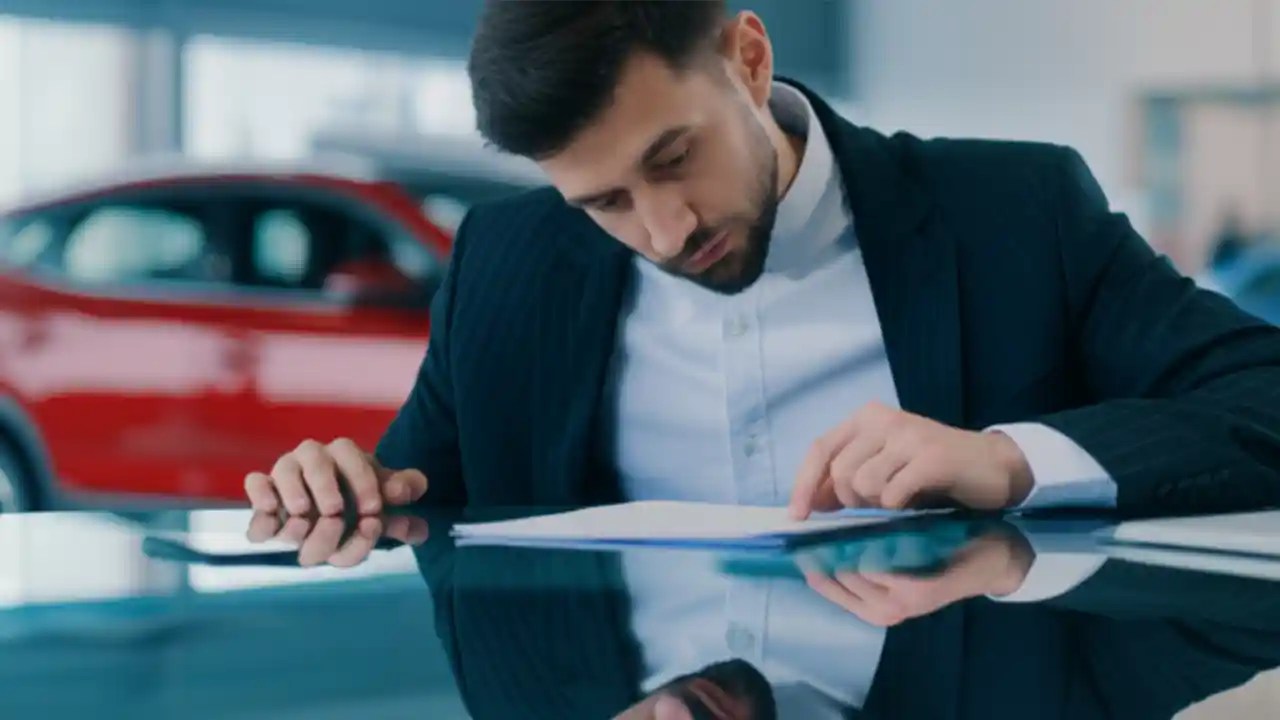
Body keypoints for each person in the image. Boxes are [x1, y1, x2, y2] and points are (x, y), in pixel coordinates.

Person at [244, 2, 1280, 564]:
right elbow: (423, 496)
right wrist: (339, 490)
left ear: (746, 58)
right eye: (603, 202)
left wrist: (1008, 460)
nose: (663, 230)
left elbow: (1261, 395)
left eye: (672, 156)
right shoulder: (505, 258)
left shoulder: (1012, 209)